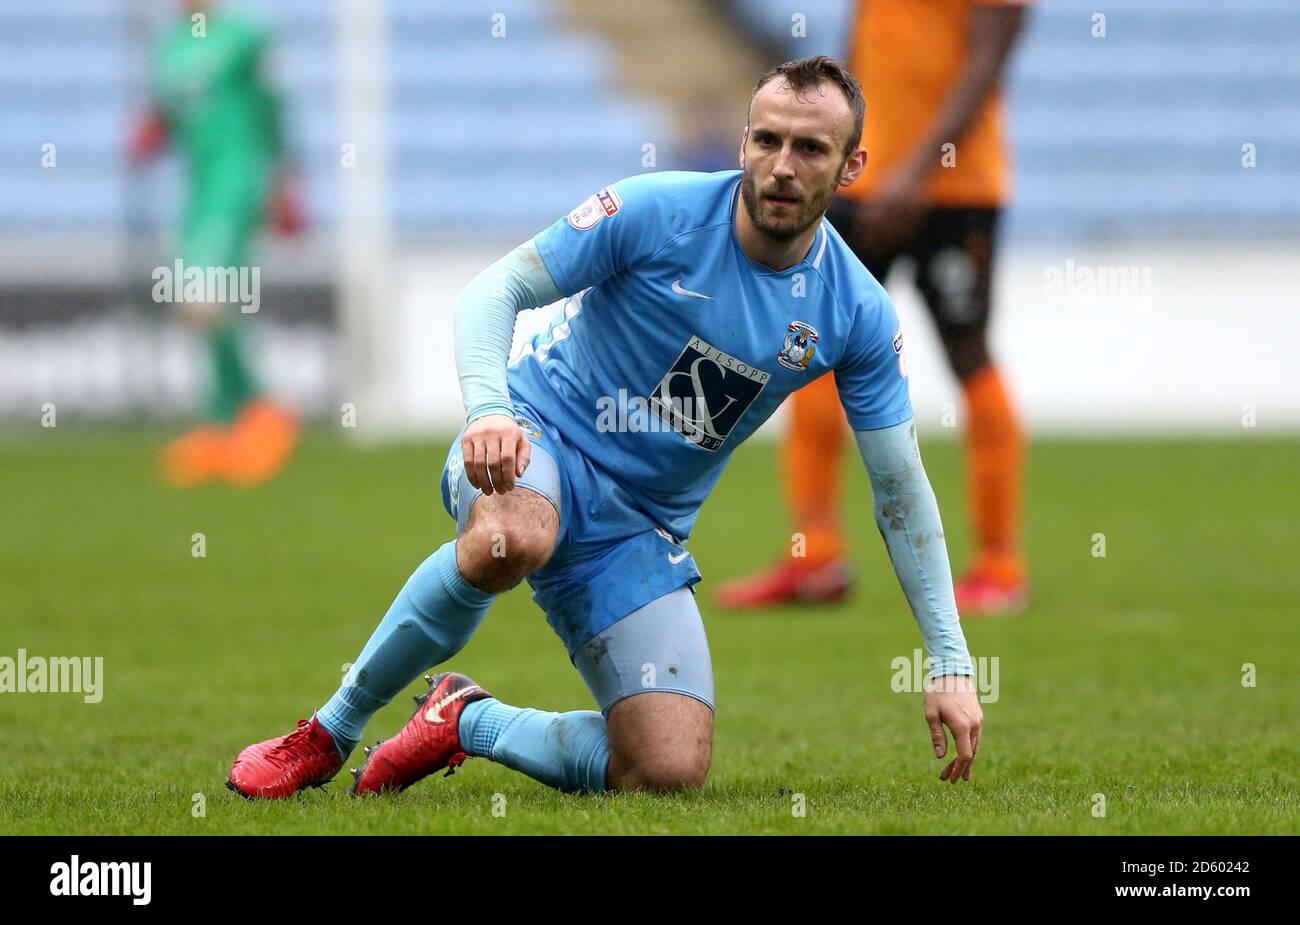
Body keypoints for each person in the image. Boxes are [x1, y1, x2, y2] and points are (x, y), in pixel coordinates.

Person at [227, 56, 984, 799]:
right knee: (512, 537)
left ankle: (466, 719)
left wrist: (949, 658)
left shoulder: (853, 309)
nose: (782, 166)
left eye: (810, 148)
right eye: (767, 140)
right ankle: (329, 731)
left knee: (666, 769)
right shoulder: (657, 211)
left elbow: (899, 489)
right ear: (745, 142)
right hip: (535, 438)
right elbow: (496, 290)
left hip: (638, 528)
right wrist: (489, 410)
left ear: (850, 167)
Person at [715, 0, 1032, 615]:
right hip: (869, 182)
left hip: (956, 189)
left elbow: (989, 58)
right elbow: (857, 65)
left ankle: (999, 563)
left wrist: (916, 172)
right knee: (807, 343)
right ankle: (817, 554)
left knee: (967, 352)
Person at [129, 0, 303, 487]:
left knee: (204, 298)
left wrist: (285, 183)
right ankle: (226, 425)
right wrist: (152, 129)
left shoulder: (246, 39)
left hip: (238, 183)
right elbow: (174, 108)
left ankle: (260, 415)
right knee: (203, 306)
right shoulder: (171, 45)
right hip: (199, 190)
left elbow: (276, 111)